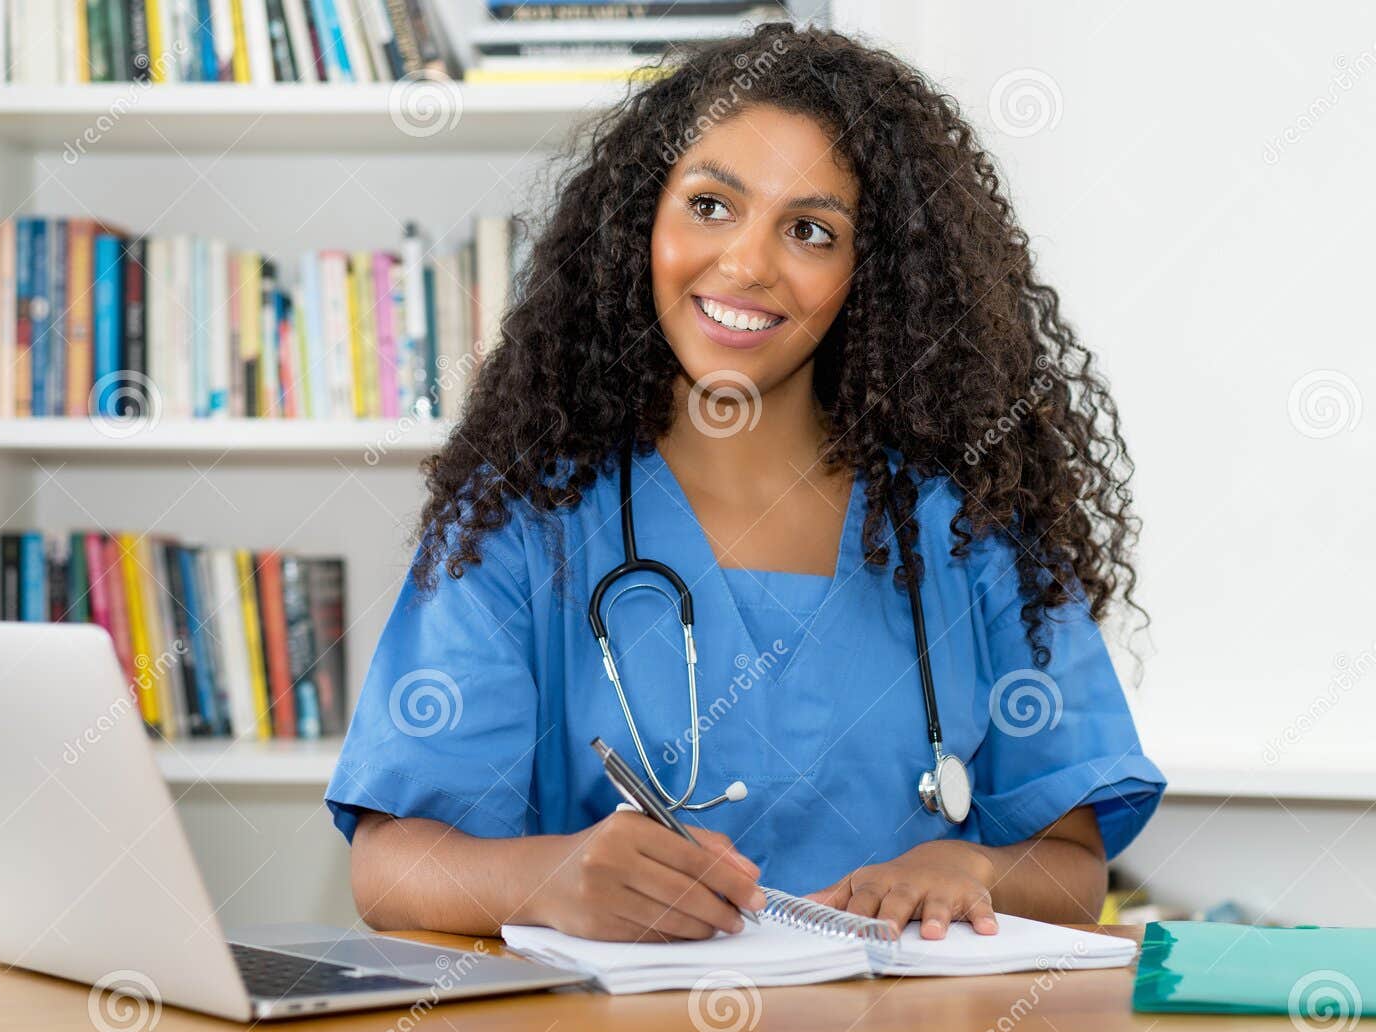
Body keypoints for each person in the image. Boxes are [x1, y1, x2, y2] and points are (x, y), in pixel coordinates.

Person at [324, 23, 1165, 944]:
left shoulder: (973, 529)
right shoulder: (528, 515)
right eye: (712, 205)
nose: (747, 264)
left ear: (870, 275)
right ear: (642, 218)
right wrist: (547, 877)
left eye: (810, 229)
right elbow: (390, 862)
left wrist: (970, 868)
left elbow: (1074, 868)